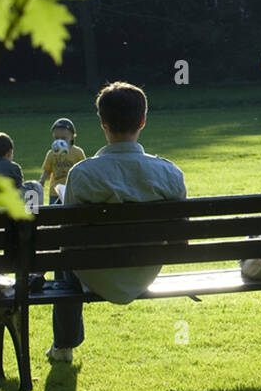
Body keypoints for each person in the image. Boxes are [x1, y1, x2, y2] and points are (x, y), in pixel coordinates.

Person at [46, 83, 186, 364]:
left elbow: (68, 240)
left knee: (64, 258)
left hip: (93, 275)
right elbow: (179, 240)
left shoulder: (82, 174)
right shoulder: (169, 173)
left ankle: (64, 346)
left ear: (103, 123)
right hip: (144, 271)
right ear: (143, 121)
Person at [0, 131, 43, 207]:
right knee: (35, 186)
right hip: (7, 205)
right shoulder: (13, 167)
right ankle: (34, 216)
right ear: (9, 153)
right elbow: (19, 187)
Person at [40, 118, 86, 203]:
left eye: (63, 138)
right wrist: (42, 181)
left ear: (72, 137)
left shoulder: (77, 152)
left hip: (72, 191)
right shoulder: (51, 153)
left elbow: (84, 170)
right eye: (57, 138)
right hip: (55, 192)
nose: (60, 141)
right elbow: (47, 170)